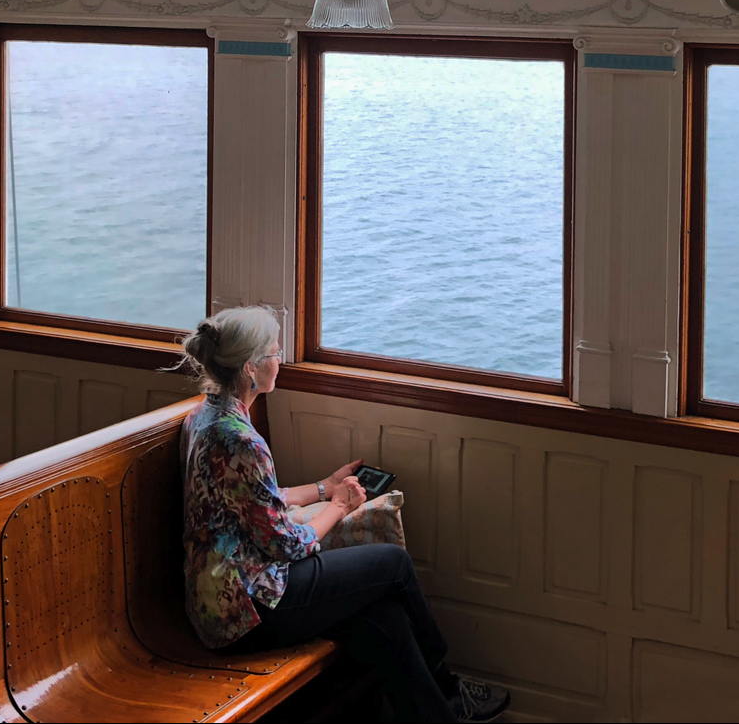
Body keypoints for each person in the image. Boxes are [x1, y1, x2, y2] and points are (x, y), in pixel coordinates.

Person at [174, 306, 510, 723]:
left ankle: (443, 707)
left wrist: (324, 486)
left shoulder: (206, 416)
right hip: (247, 609)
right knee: (393, 564)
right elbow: (285, 545)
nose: (281, 360)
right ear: (250, 368)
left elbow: (256, 500)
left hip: (216, 600)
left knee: (386, 620)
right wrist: (338, 506)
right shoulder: (241, 440)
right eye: (275, 353)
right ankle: (448, 684)